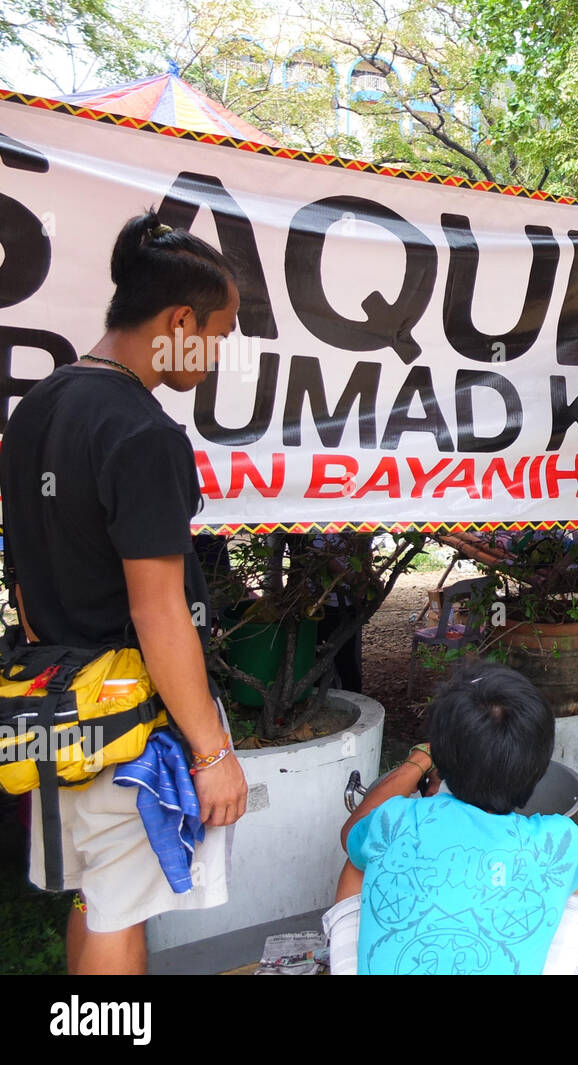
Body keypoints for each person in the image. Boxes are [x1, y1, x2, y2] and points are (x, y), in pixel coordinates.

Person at [0, 211, 248, 973]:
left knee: (97, 896)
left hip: (52, 703)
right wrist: (211, 752)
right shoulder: (142, 434)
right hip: (124, 728)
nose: (215, 355)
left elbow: (26, 574)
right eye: (216, 334)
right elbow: (158, 607)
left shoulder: (38, 408)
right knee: (116, 912)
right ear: (179, 320)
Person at [330, 663, 578, 975]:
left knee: (358, 863)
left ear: (441, 758)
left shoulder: (395, 821)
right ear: (538, 770)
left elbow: (349, 833)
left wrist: (419, 761)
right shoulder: (555, 841)